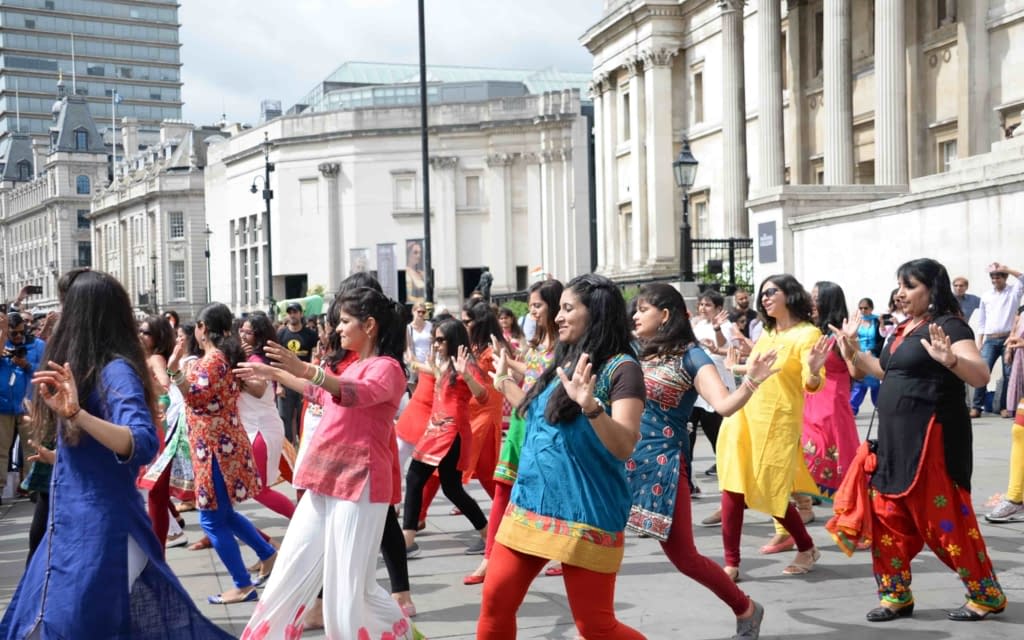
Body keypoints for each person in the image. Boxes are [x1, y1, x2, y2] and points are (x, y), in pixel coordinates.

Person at [0, 268, 233, 639]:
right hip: (71, 529)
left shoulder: (115, 371)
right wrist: (60, 458)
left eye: (66, 307)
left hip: (101, 532)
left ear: (84, 313)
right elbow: (99, 455)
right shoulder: (86, 368)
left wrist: (78, 415)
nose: (58, 318)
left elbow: (141, 442)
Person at [238, 287, 418, 639]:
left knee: (348, 594)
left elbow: (355, 394)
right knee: (288, 572)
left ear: (369, 325)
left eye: (345, 321)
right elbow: (319, 392)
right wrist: (276, 374)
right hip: (322, 477)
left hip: (361, 483)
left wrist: (307, 369)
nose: (338, 328)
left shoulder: (389, 369)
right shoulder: (356, 364)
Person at [834, 258, 1006, 622]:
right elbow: (884, 372)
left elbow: (979, 375)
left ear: (933, 289)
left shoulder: (949, 326)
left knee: (944, 520)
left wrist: (951, 360)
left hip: (932, 441)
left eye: (910, 286)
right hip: (893, 441)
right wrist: (851, 350)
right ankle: (896, 595)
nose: (901, 293)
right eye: (899, 285)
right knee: (886, 516)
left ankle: (985, 594)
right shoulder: (902, 329)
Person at [477, 274, 647, 640]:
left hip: (585, 514)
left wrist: (591, 407)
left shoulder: (622, 369)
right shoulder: (566, 358)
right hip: (530, 505)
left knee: (596, 627)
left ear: (595, 312)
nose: (557, 317)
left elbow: (624, 444)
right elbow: (538, 414)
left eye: (568, 309)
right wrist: (502, 381)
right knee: (494, 603)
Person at [628, 283, 778, 639]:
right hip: (621, 459)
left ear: (665, 315)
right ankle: (593, 623)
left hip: (663, 468)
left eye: (643, 309)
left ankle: (746, 607)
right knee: (597, 539)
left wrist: (751, 382)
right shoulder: (635, 352)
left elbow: (723, 405)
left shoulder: (692, 357)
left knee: (684, 557)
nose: (635, 315)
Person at [715, 274, 830, 580]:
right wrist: (736, 367)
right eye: (762, 294)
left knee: (771, 489)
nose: (764, 298)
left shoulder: (807, 334)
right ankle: (731, 562)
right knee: (732, 486)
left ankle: (806, 547)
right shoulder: (767, 332)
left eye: (771, 292)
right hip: (743, 415)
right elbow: (759, 368)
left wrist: (814, 371)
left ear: (789, 295)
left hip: (777, 422)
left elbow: (812, 382)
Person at [167, 302, 278, 604]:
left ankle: (242, 585)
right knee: (224, 515)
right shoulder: (220, 358)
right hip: (221, 444)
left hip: (215, 449)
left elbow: (195, 397)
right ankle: (267, 554)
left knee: (211, 520)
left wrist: (174, 368)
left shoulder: (212, 361)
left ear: (202, 328)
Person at [466, 279, 563, 584]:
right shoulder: (538, 343)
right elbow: (533, 371)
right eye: (531, 306)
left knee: (555, 491)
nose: (532, 311)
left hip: (548, 427)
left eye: (538, 305)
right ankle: (489, 557)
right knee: (502, 489)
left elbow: (547, 379)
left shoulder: (565, 346)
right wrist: (506, 362)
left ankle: (564, 552)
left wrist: (507, 370)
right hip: (522, 423)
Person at [401, 317, 490, 555]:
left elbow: (483, 397)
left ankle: (407, 540)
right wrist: (427, 366)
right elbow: (438, 379)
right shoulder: (446, 363)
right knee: (451, 488)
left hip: (450, 433)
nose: (436, 344)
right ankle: (486, 532)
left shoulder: (466, 365)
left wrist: (467, 375)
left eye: (440, 340)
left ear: (453, 340)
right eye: (434, 339)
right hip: (438, 430)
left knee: (415, 478)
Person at [239, 313, 296, 521]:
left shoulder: (255, 360)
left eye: (248, 332)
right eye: (241, 330)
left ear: (259, 336)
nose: (242, 336)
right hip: (257, 429)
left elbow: (258, 389)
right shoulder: (250, 358)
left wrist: (234, 368)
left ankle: (301, 523)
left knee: (259, 489)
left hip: (260, 431)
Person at [689, 290, 734, 478]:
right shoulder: (699, 325)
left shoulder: (726, 325)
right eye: (701, 304)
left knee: (716, 432)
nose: (703, 308)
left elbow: (724, 346)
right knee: (689, 431)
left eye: (707, 305)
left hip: (717, 384)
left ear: (718, 308)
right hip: (697, 386)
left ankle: (728, 470)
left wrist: (717, 329)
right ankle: (687, 475)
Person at [0, 312, 43, 503]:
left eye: (21, 332)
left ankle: (33, 487)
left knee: (32, 448)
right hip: (3, 406)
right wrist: (2, 336)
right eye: (13, 333)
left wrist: (27, 365)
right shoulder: (2, 344)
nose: (18, 336)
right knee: (1, 450)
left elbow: (45, 370)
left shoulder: (37, 345)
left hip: (28, 406)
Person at [971, 263, 1023, 418]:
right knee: (983, 372)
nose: (995, 280)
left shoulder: (1014, 292)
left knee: (1008, 374)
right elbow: (982, 321)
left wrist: (1006, 269)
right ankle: (976, 406)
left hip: (1009, 339)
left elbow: (1023, 278)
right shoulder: (986, 296)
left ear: (1005, 277)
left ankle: (1004, 407)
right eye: (993, 277)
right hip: (990, 339)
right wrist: (979, 342)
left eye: (998, 277)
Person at [277, 301, 319, 444]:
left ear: (301, 314)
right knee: (284, 418)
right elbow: (277, 360)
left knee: (304, 418)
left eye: (295, 312)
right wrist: (279, 385)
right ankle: (288, 449)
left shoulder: (310, 335)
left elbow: (315, 357)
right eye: (290, 312)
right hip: (286, 381)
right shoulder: (281, 334)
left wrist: (312, 382)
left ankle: (303, 446)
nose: (292, 315)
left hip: (304, 382)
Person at [849, 297, 883, 416]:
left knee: (875, 385)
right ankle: (851, 410)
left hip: (873, 356)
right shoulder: (856, 321)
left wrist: (873, 350)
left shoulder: (877, 321)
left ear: (871, 308)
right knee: (859, 384)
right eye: (861, 308)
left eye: (866, 308)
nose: (863, 310)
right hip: (860, 355)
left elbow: (882, 339)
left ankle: (881, 407)